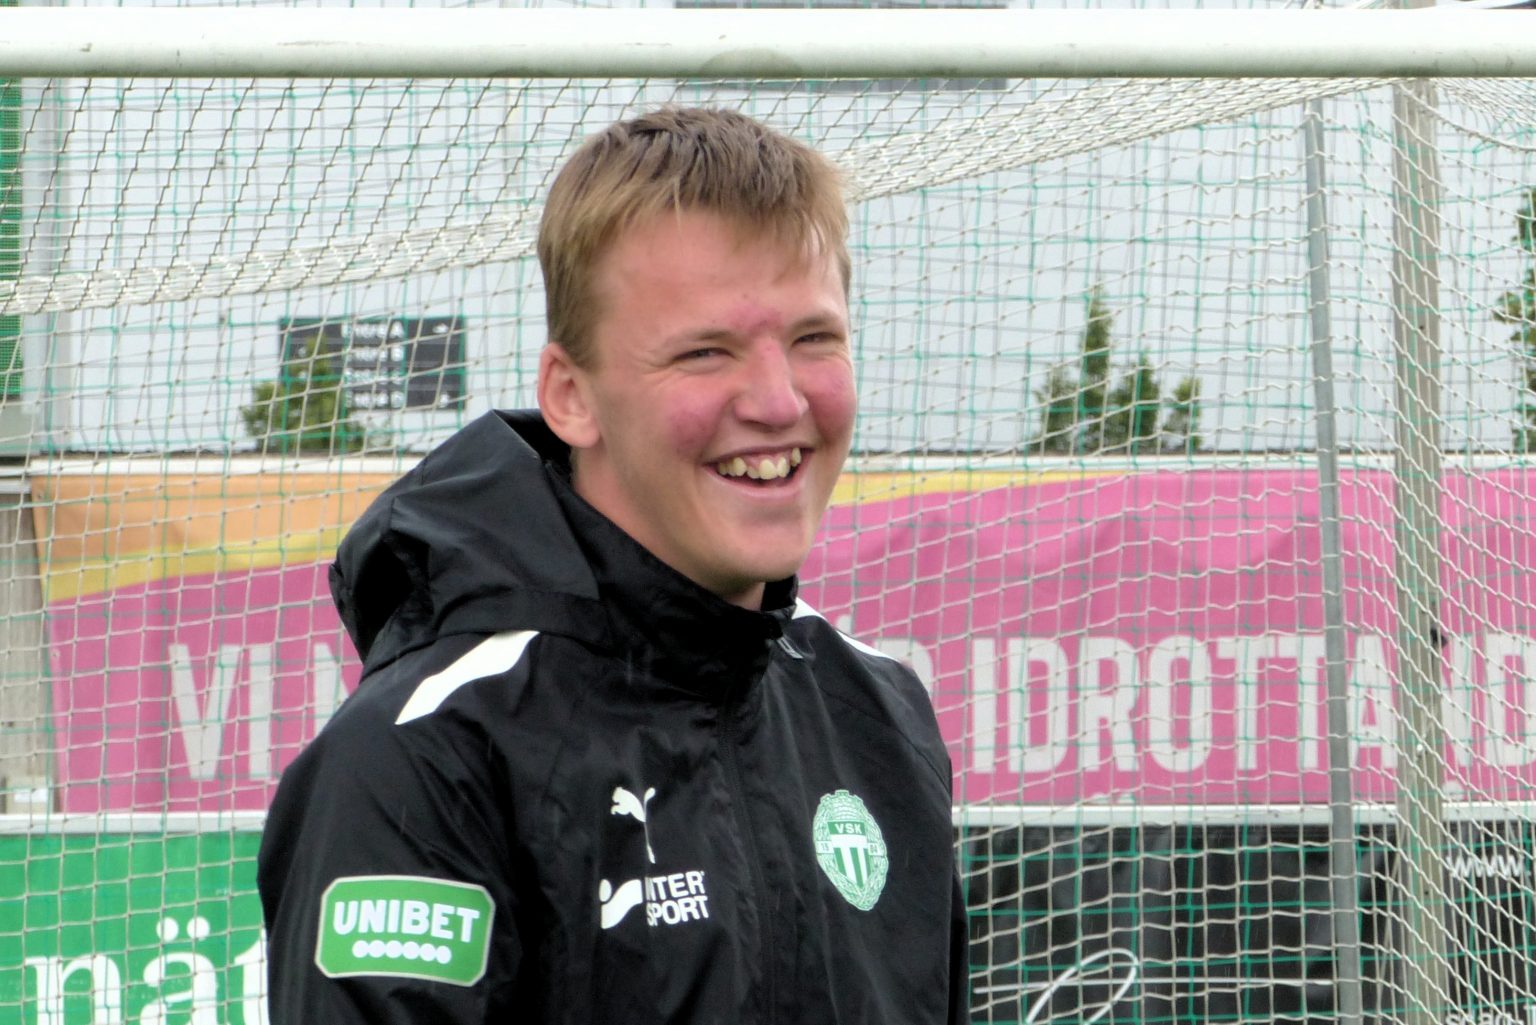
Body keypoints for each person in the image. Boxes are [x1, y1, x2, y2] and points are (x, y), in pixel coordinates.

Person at [257, 106, 969, 1025]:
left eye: (814, 339)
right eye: (704, 351)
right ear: (571, 396)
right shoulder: (423, 755)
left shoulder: (878, 715)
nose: (779, 398)